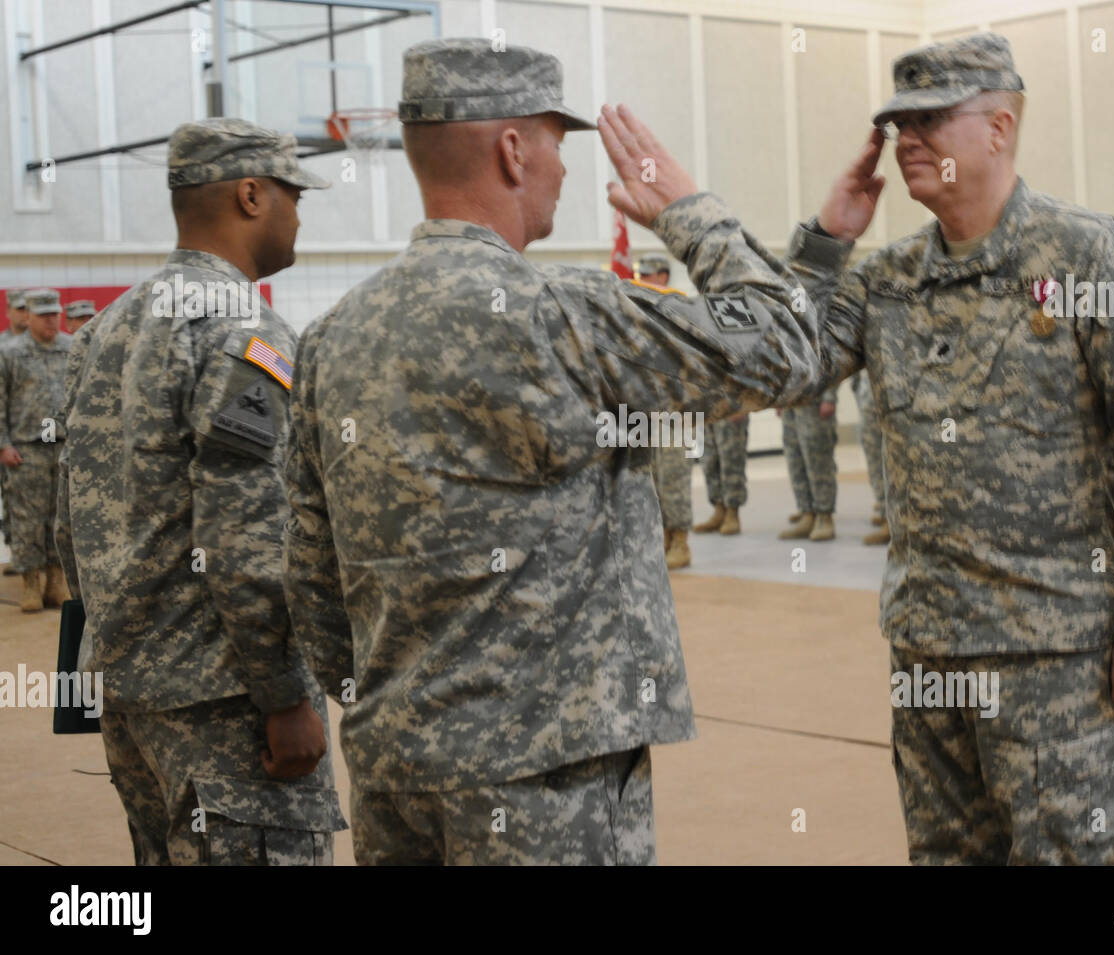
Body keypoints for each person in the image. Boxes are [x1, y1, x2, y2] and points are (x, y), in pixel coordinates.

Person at [282, 38, 823, 865]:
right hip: (548, 784)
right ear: (512, 150)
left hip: (397, 775)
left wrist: (392, 701)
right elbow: (786, 343)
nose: (565, 169)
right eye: (558, 143)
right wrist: (691, 214)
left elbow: (311, 573)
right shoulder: (566, 313)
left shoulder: (329, 339)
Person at [786, 33, 1114, 864]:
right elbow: (782, 366)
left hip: (1052, 652)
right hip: (928, 649)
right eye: (898, 124)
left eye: (930, 119)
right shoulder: (886, 279)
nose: (907, 139)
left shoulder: (1086, 256)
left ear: (1000, 127)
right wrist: (826, 241)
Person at [57, 118, 344, 865]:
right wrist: (284, 694)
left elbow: (71, 519)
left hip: (131, 693)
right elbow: (246, 531)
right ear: (251, 196)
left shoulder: (107, 329)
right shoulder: (247, 333)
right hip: (226, 704)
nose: (299, 213)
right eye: (292, 195)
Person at [0, 287, 71, 612]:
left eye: (54, 314)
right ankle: (31, 584)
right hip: (27, 448)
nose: (51, 321)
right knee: (27, 519)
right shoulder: (10, 353)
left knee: (61, 518)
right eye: (44, 316)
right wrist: (3, 444)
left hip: (63, 446)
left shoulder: (71, 348)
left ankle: (56, 582)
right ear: (28, 317)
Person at [638, 254, 694, 570]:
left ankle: (681, 541)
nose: (643, 279)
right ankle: (665, 537)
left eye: (648, 274)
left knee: (674, 477)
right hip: (648, 409)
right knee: (655, 477)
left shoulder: (678, 308)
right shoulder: (640, 310)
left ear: (663, 276)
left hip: (676, 409)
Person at [779, 387, 838, 541]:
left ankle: (824, 516)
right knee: (795, 460)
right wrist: (778, 400)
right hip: (790, 402)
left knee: (818, 461)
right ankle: (807, 514)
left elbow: (830, 371)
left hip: (813, 400)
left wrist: (829, 397)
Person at [1, 288, 30, 576]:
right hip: (9, 435)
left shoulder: (46, 345)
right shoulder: (3, 346)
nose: (25, 314)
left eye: (28, 308)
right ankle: (16, 551)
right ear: (9, 311)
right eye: (20, 309)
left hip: (36, 438)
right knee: (11, 498)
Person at [693, 415, 748, 535]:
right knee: (709, 461)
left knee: (731, 458)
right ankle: (720, 511)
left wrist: (739, 407)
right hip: (705, 409)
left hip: (729, 408)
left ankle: (732, 513)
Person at [855, 371, 890, 545]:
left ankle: (894, 520)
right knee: (874, 457)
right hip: (869, 396)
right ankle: (886, 514)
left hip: (893, 395)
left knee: (894, 461)